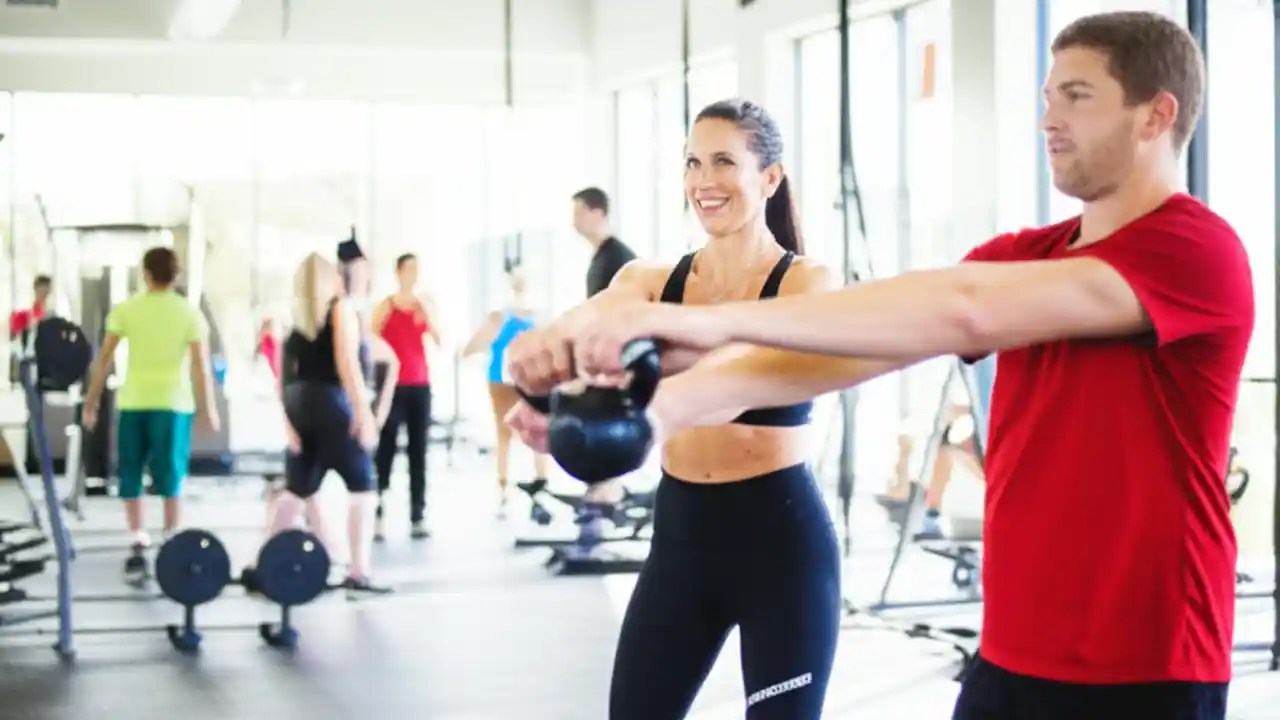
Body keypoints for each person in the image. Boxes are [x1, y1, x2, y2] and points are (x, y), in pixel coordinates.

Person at [543, 13, 1250, 720]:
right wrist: (656, 411)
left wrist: (705, 321)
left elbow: (962, 308)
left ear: (1156, 115)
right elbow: (832, 357)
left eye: (1077, 96)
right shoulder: (1021, 256)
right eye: (1046, 98)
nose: (1048, 120)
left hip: (1146, 668)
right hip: (1011, 658)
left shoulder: (1193, 251)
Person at [508, 99, 841, 719]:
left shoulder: (807, 284)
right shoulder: (649, 280)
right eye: (693, 163)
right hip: (683, 539)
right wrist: (542, 378)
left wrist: (637, 405)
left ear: (770, 177)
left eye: (724, 162)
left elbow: (736, 374)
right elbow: (585, 325)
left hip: (780, 544)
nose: (703, 181)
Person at [81, 247, 220, 582]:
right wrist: (209, 409)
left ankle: (138, 537)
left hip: (134, 403)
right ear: (176, 275)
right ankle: (170, 537)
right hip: (173, 405)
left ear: (145, 274)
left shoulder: (127, 309)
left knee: (130, 472)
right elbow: (201, 367)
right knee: (171, 473)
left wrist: (91, 401)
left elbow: (103, 360)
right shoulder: (189, 313)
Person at [271, 252, 389, 593]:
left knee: (298, 487)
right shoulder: (342, 309)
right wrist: (363, 412)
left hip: (300, 404)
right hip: (331, 403)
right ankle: (358, 572)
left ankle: (262, 565)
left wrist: (288, 423)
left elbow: (283, 379)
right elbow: (346, 361)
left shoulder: (297, 320)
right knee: (363, 485)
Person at [459, 266, 549, 514]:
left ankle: (507, 486)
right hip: (520, 381)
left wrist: (465, 351)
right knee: (531, 430)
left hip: (508, 381)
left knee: (506, 433)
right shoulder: (532, 318)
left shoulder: (502, 317)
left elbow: (474, 345)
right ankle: (532, 482)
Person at [571, 187, 639, 510]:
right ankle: (602, 484)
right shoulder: (601, 257)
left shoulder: (618, 259)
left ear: (598, 213)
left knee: (606, 417)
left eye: (579, 213)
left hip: (617, 358)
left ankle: (610, 487)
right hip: (601, 356)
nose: (574, 221)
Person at [370, 253, 441, 540]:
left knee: (418, 451)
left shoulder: (424, 305)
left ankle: (417, 514)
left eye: (416, 269)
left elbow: (440, 339)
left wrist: (428, 314)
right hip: (393, 386)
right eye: (408, 269)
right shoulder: (385, 306)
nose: (413, 274)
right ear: (398, 272)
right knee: (386, 448)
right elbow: (369, 341)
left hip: (419, 384)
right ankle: (377, 508)